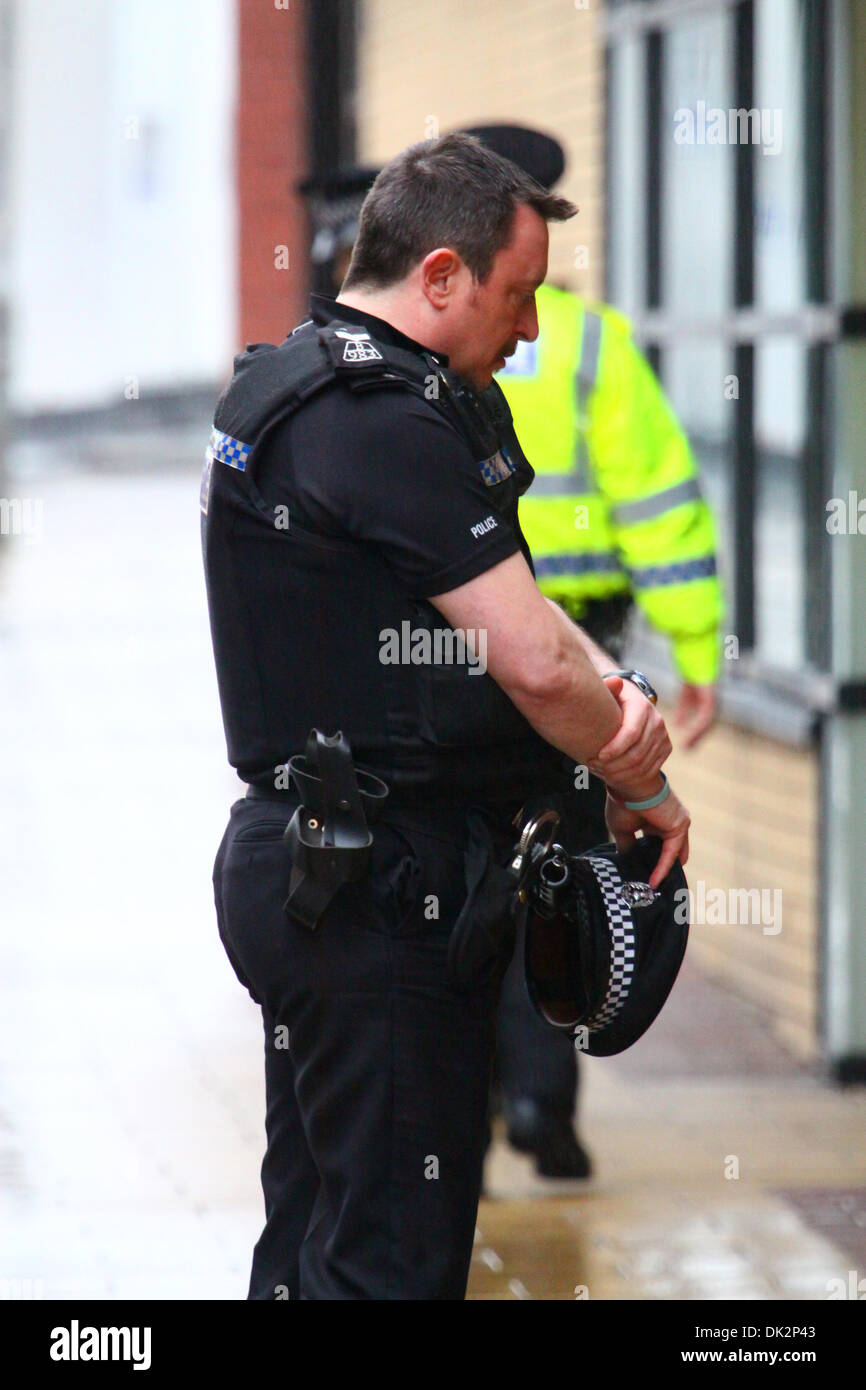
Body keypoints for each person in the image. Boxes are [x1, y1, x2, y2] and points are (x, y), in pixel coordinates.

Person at [201, 133, 690, 1300]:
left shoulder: (310, 386)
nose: (527, 331)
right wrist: (638, 779)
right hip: (374, 897)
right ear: (438, 276)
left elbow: (519, 618)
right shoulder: (382, 421)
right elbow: (529, 660)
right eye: (516, 297)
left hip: (325, 874)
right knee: (391, 1267)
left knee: (314, 1235)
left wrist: (610, 699)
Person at [444, 124, 722, 1181]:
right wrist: (696, 646)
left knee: (469, 870)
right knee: (562, 872)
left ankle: (457, 1119)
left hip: (463, 646)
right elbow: (660, 505)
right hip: (582, 656)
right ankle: (544, 1105)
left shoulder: (437, 345)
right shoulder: (595, 342)